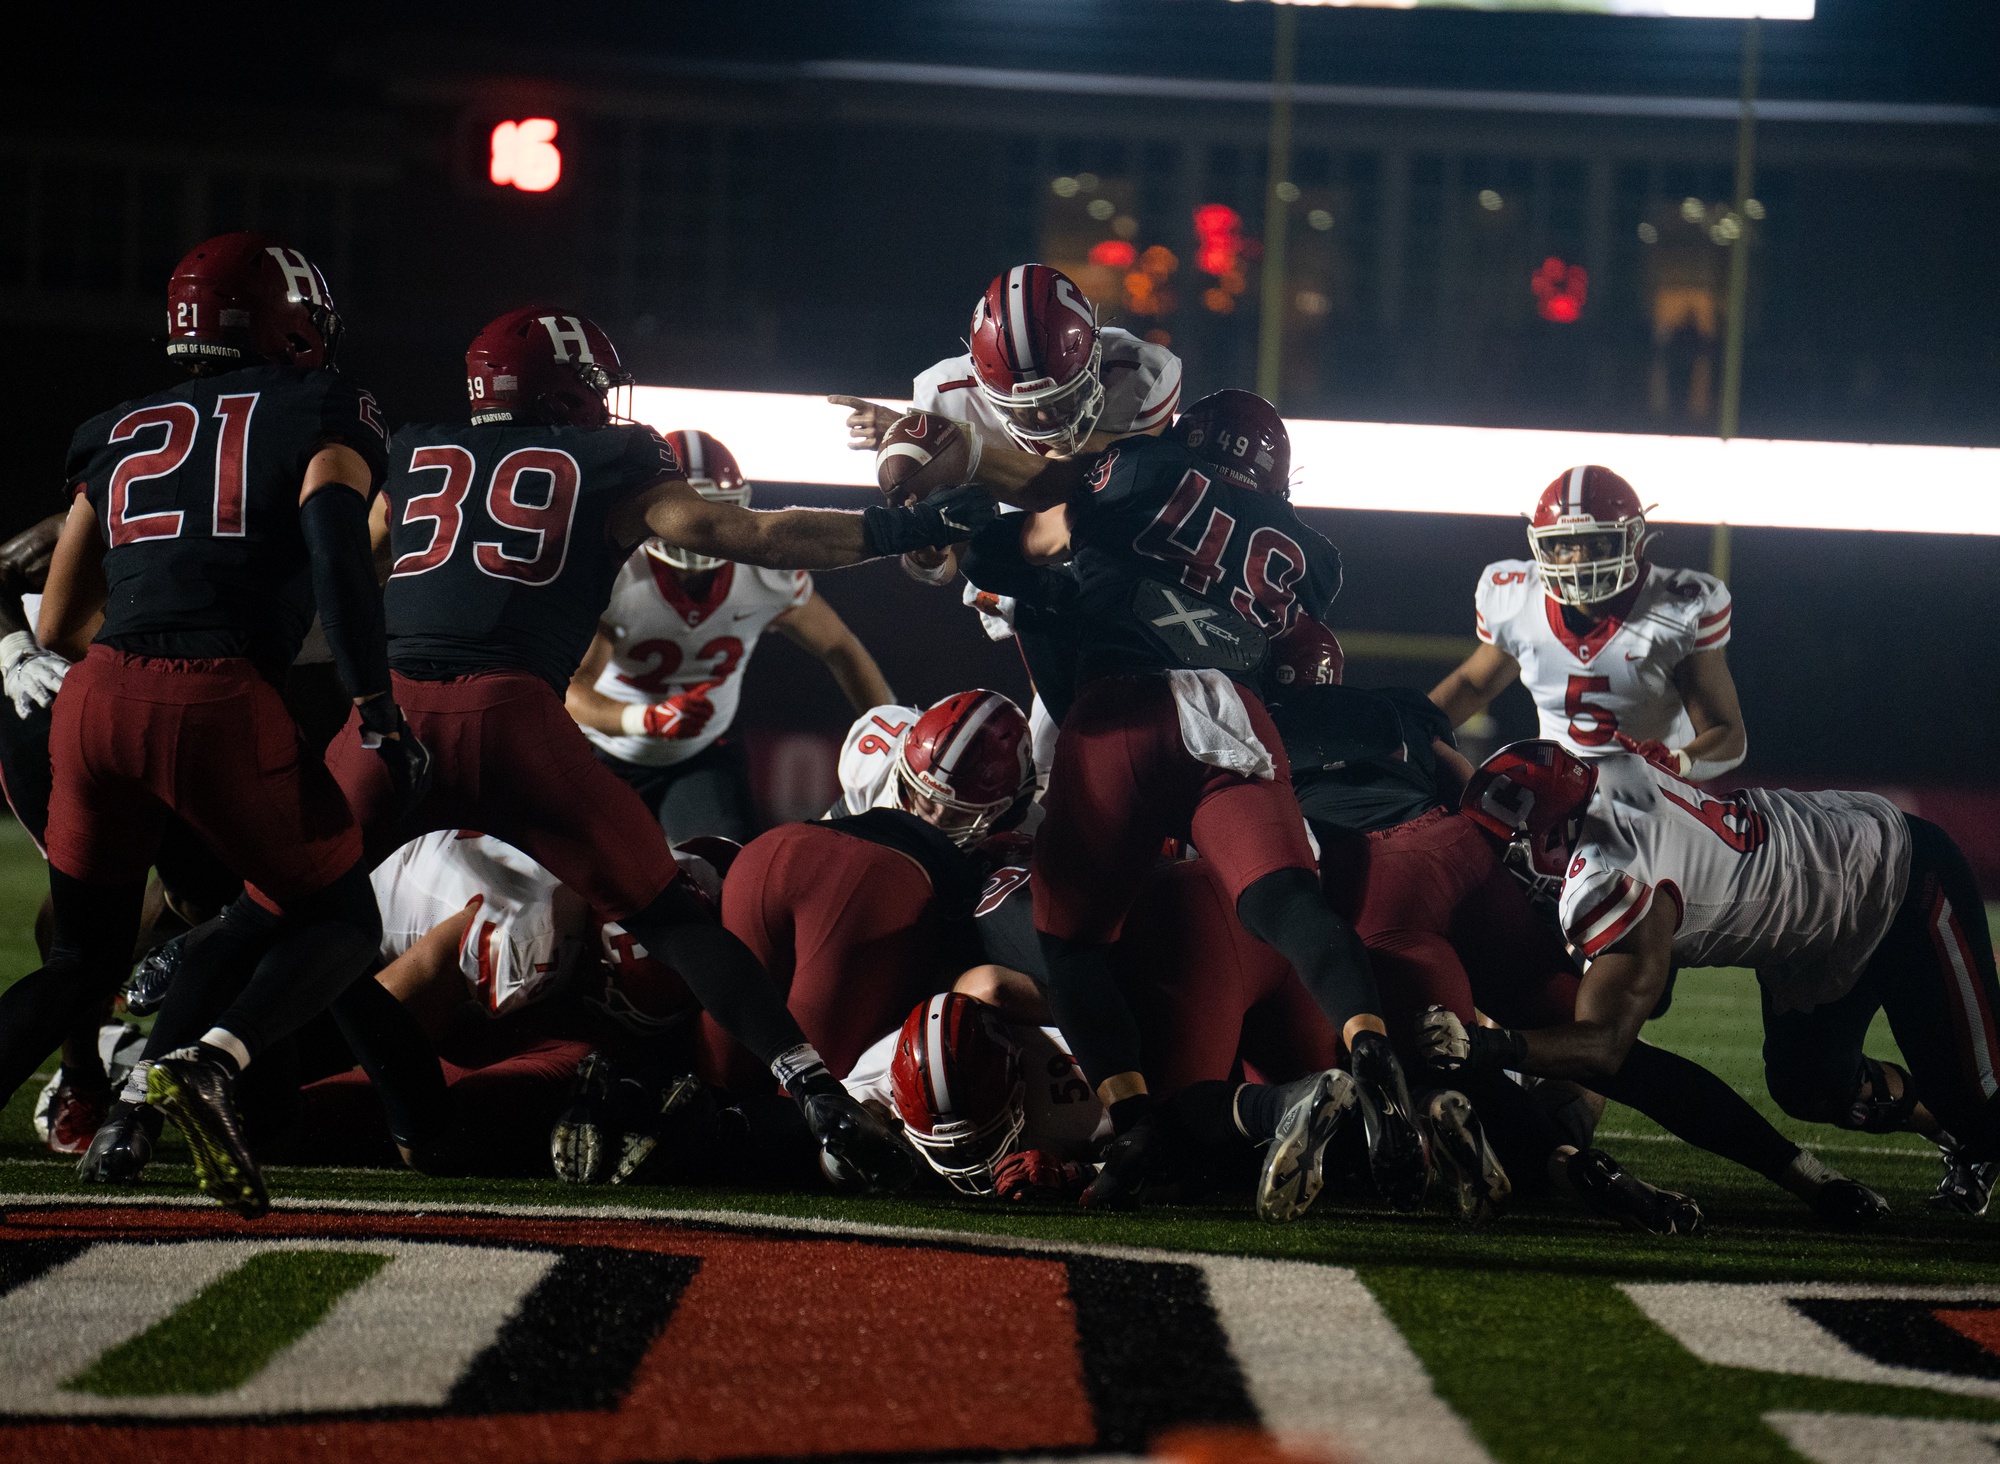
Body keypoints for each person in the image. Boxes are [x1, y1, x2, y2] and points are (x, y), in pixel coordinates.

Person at [96, 303, 989, 1203]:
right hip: (515, 719)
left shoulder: (416, 451)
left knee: (266, 915)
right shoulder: (613, 462)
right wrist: (900, 529)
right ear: (571, 391)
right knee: (670, 917)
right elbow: (747, 534)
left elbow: (349, 575)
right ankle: (818, 1094)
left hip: (393, 717)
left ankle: (130, 1111)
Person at [895, 387, 1429, 1210]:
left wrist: (971, 539)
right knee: (1289, 904)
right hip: (1229, 711)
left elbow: (1034, 544)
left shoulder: (1142, 464)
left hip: (1121, 711)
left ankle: (1135, 1121)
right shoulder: (1316, 555)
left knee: (1071, 945)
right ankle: (1370, 1049)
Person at [7, 232, 414, 1216]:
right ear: (287, 322)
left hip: (97, 698)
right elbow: (332, 544)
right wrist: (372, 702)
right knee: (340, 919)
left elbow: (56, 621)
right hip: (215, 696)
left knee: (77, 962)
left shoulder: (118, 425)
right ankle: (199, 1067)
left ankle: (129, 1094)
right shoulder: (323, 405)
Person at [1430, 739, 1994, 1224]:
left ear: (1552, 836)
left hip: (1893, 877)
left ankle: (1973, 1127)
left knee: (1985, 1105)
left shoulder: (1608, 878)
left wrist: (1483, 1045)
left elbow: (1604, 1048)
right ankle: (1959, 1136)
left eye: (1513, 843)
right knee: (1808, 1084)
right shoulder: (1606, 769)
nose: (1505, 858)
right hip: (1811, 916)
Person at [565, 430, 893, 841]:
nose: (703, 526)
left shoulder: (765, 575)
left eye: (716, 510)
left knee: (722, 869)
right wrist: (647, 718)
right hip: (605, 754)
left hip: (704, 754)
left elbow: (839, 647)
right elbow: (571, 690)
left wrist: (889, 729)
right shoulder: (621, 574)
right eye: (689, 509)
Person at [1429, 466, 1745, 779]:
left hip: (1656, 797)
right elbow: (1473, 686)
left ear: (1632, 538)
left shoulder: (1678, 609)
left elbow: (1727, 733)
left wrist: (1679, 761)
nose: (1579, 561)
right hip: (1557, 794)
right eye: (1565, 546)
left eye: (1596, 545)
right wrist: (1407, 730)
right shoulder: (1519, 599)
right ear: (1544, 547)